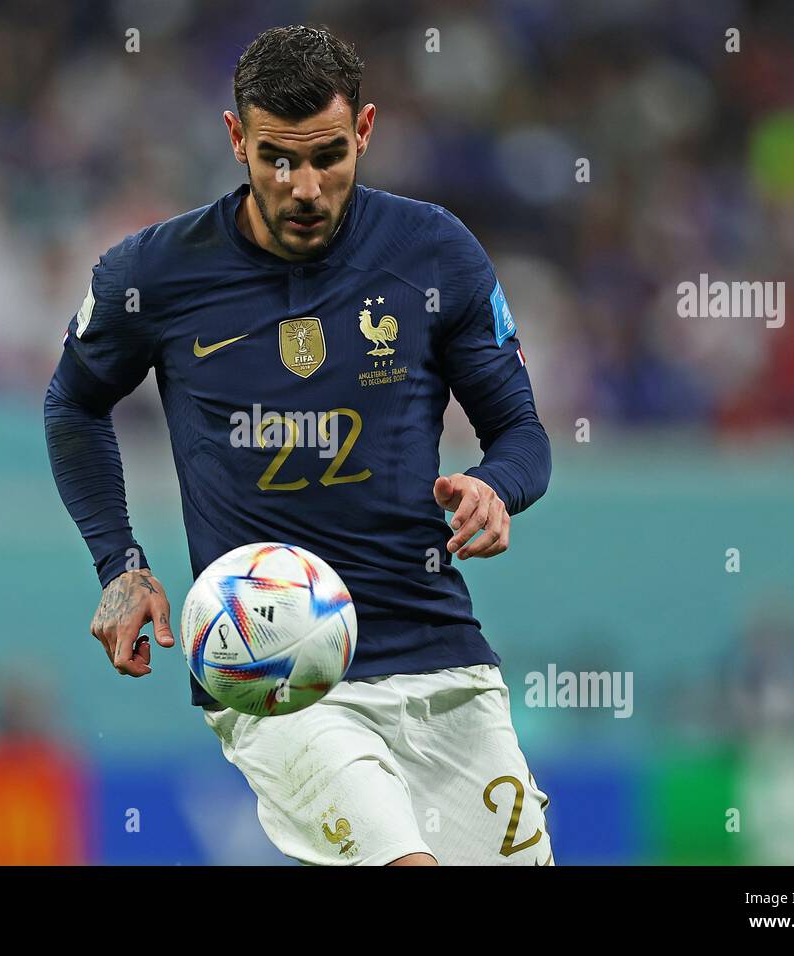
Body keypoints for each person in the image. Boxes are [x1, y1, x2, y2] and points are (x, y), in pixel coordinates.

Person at [45, 25, 553, 866]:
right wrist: (121, 565)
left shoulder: (434, 253)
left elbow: (522, 433)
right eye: (279, 157)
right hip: (271, 665)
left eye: (327, 155)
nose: (305, 186)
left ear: (364, 132)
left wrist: (498, 487)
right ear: (236, 138)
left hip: (435, 647)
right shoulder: (155, 274)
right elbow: (73, 405)